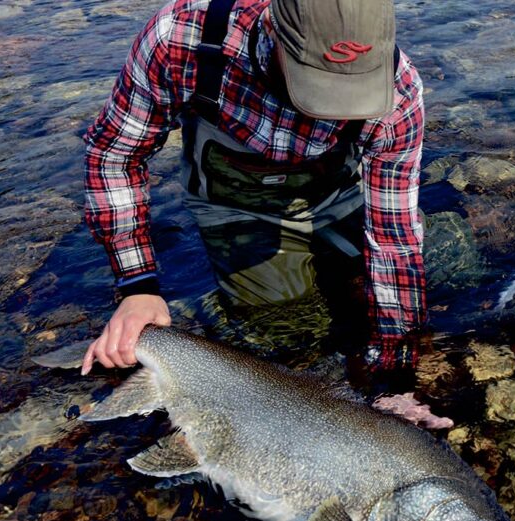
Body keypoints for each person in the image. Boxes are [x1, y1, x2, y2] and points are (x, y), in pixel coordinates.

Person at [79, 0, 426, 390]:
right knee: (287, 332)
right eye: (321, 87)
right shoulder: (180, 37)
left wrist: (396, 366)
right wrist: (138, 288)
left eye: (350, 92)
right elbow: (116, 156)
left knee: (446, 274)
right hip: (235, 206)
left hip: (337, 196)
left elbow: (394, 237)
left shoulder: (398, 91)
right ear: (275, 31)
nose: (333, 111)